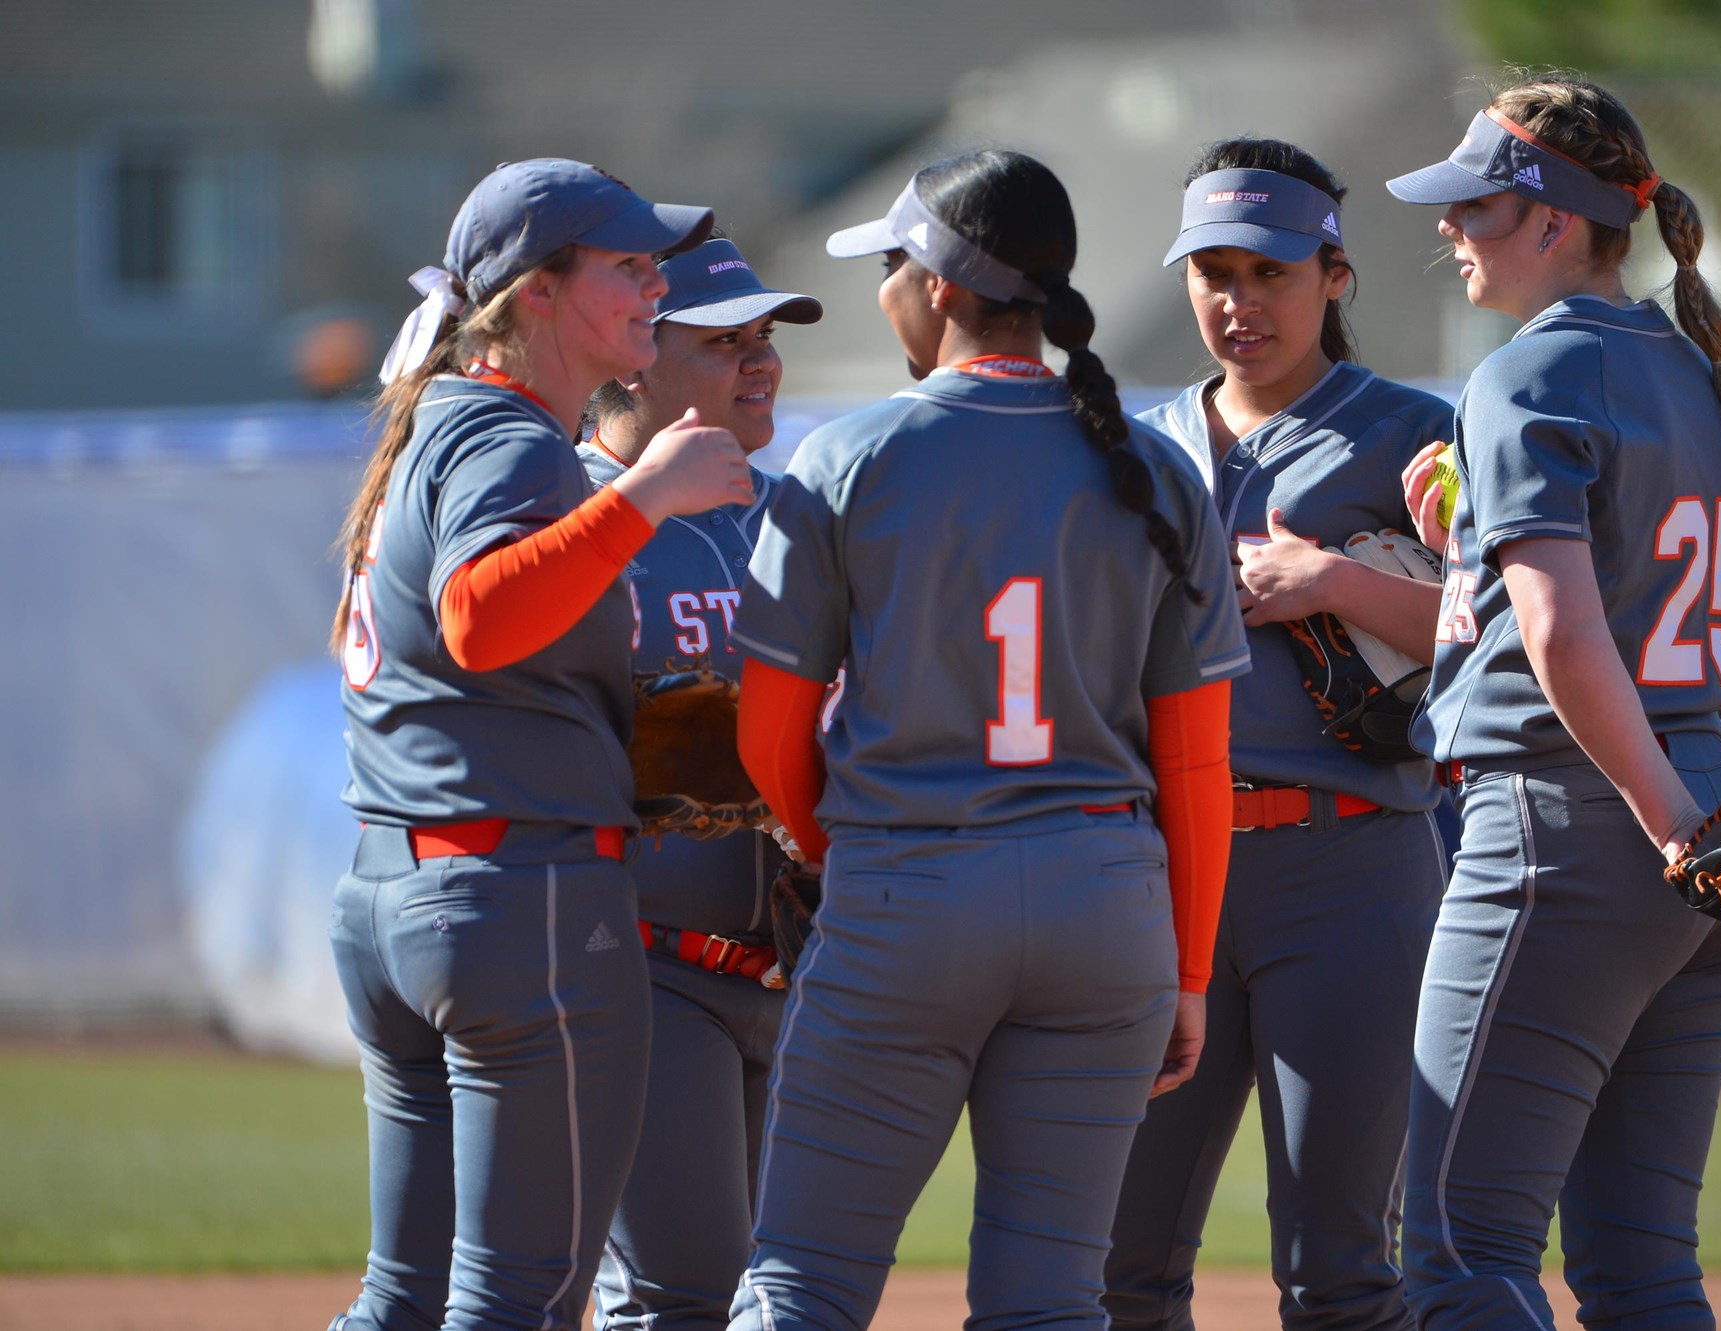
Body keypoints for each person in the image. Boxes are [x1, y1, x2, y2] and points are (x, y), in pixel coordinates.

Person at [721, 149, 1252, 1331]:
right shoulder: (1157, 467)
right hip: (1107, 906)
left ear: (946, 285)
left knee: (803, 1280)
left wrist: (835, 847)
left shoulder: (846, 458)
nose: (884, 290)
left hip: (909, 886)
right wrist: (1189, 967)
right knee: (1050, 1300)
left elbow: (765, 736)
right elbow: (1195, 763)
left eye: (895, 265)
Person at [326, 158, 754, 1331]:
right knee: (519, 1301)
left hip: (397, 889)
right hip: (520, 904)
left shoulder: (438, 427)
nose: (651, 288)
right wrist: (643, 496)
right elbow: (477, 615)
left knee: (404, 1299)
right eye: (624, 266)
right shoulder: (512, 442)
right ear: (538, 292)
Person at [1383, 76, 1721, 1330]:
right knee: (1641, 1265)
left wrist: (1659, 821)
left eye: (1476, 208)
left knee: (1454, 1243)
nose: (1450, 231)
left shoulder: (1530, 371)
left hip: (1584, 815)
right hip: (1710, 790)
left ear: (1553, 219)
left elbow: (1562, 630)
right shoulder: (1687, 363)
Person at [1100, 138, 1453, 1331]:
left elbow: (1508, 640)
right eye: (1213, 272)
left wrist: (1330, 580)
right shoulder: (1132, 444)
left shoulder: (1415, 432)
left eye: (1271, 273)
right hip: (1163, 872)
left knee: (1339, 1266)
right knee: (1117, 1264)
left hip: (1349, 865)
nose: (1238, 302)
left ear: (1334, 278)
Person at [574, 235, 823, 1329]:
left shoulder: (790, 512)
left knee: (773, 1293)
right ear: (633, 356)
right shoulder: (575, 513)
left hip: (787, 969)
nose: (759, 362)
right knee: (679, 1290)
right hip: (643, 962)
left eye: (764, 339)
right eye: (724, 341)